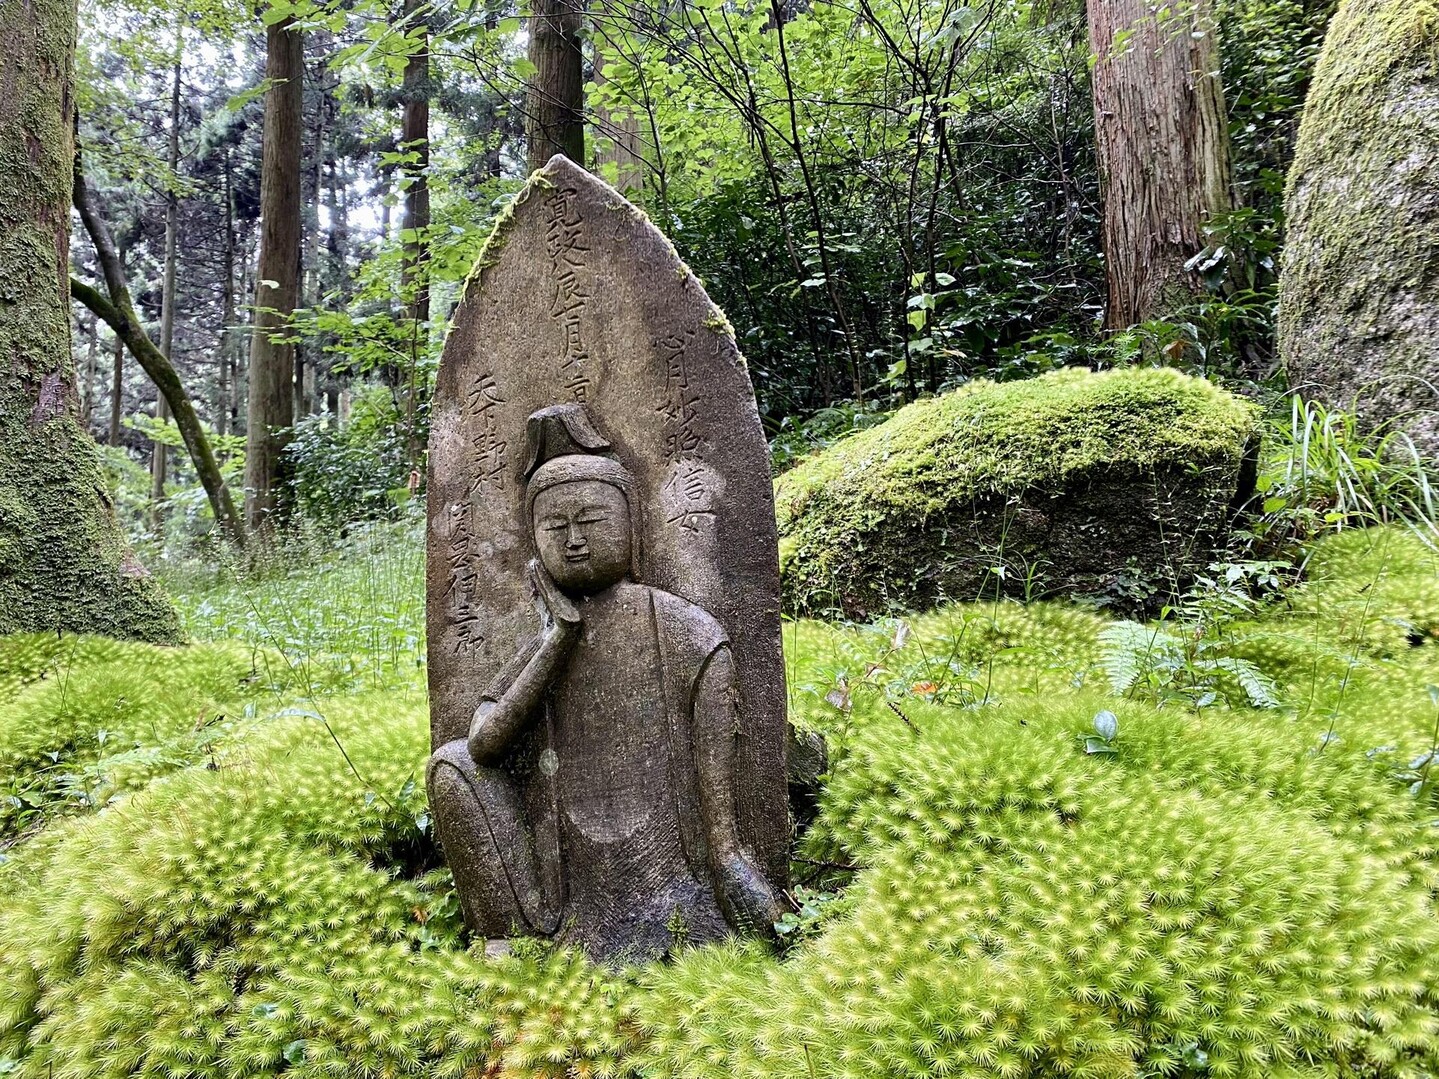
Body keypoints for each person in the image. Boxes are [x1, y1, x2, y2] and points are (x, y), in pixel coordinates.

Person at [427, 405, 781, 960]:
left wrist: (729, 854)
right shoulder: (543, 642)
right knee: (452, 765)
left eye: (590, 522)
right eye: (554, 527)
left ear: (630, 525)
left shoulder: (686, 630)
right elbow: (483, 744)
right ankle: (512, 940)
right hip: (565, 879)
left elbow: (715, 767)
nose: (572, 541)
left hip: (668, 867)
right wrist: (556, 641)